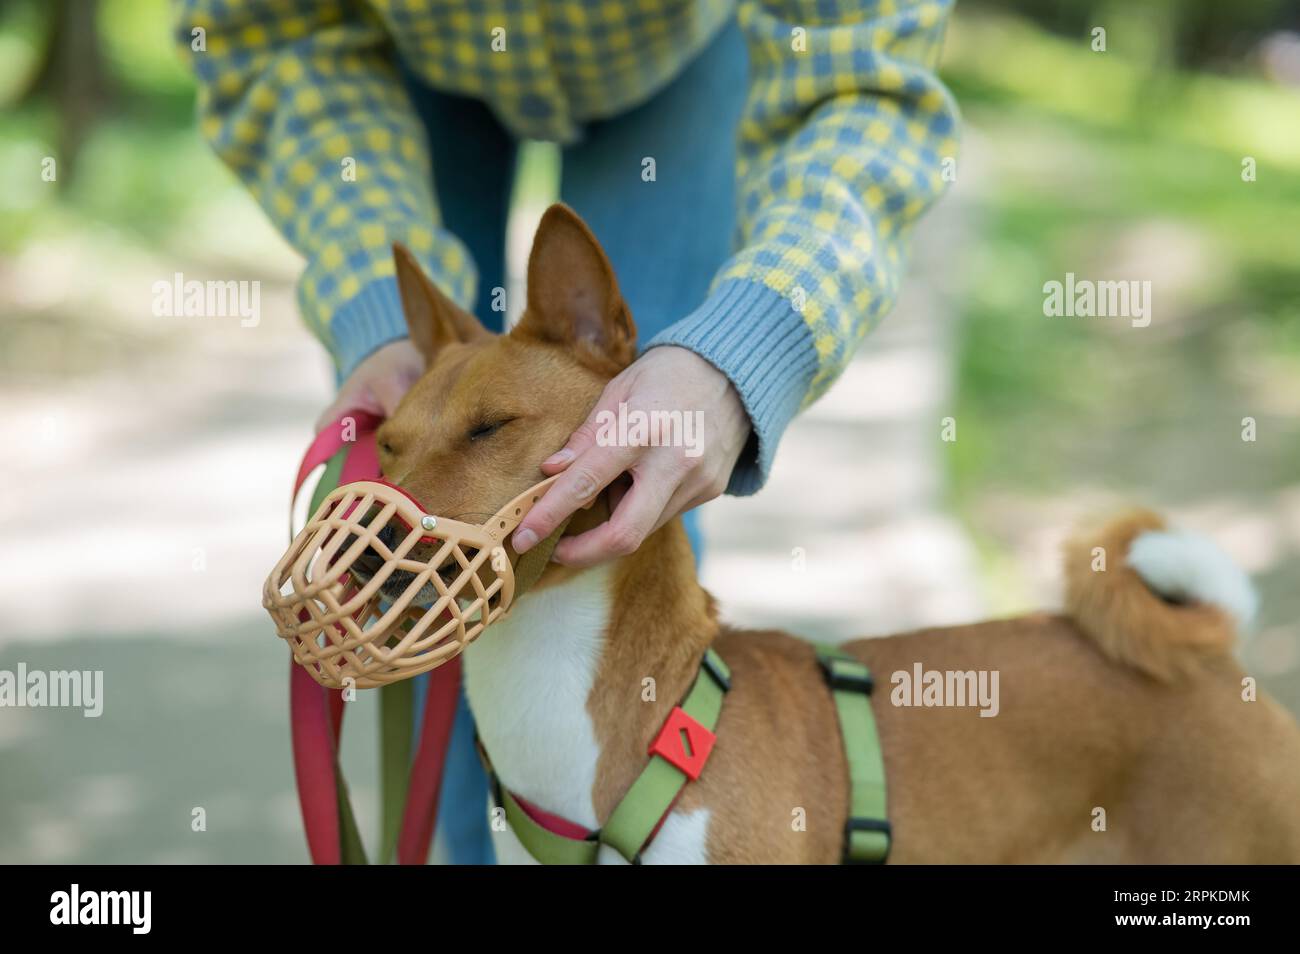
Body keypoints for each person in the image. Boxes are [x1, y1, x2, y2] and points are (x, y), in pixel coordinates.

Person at [179, 0, 959, 863]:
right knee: (435, 586)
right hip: (404, 52)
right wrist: (374, 298)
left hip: (672, 53)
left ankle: (664, 833)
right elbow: (267, 36)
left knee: (644, 476)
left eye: (486, 435)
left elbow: (865, 81)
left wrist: (741, 352)